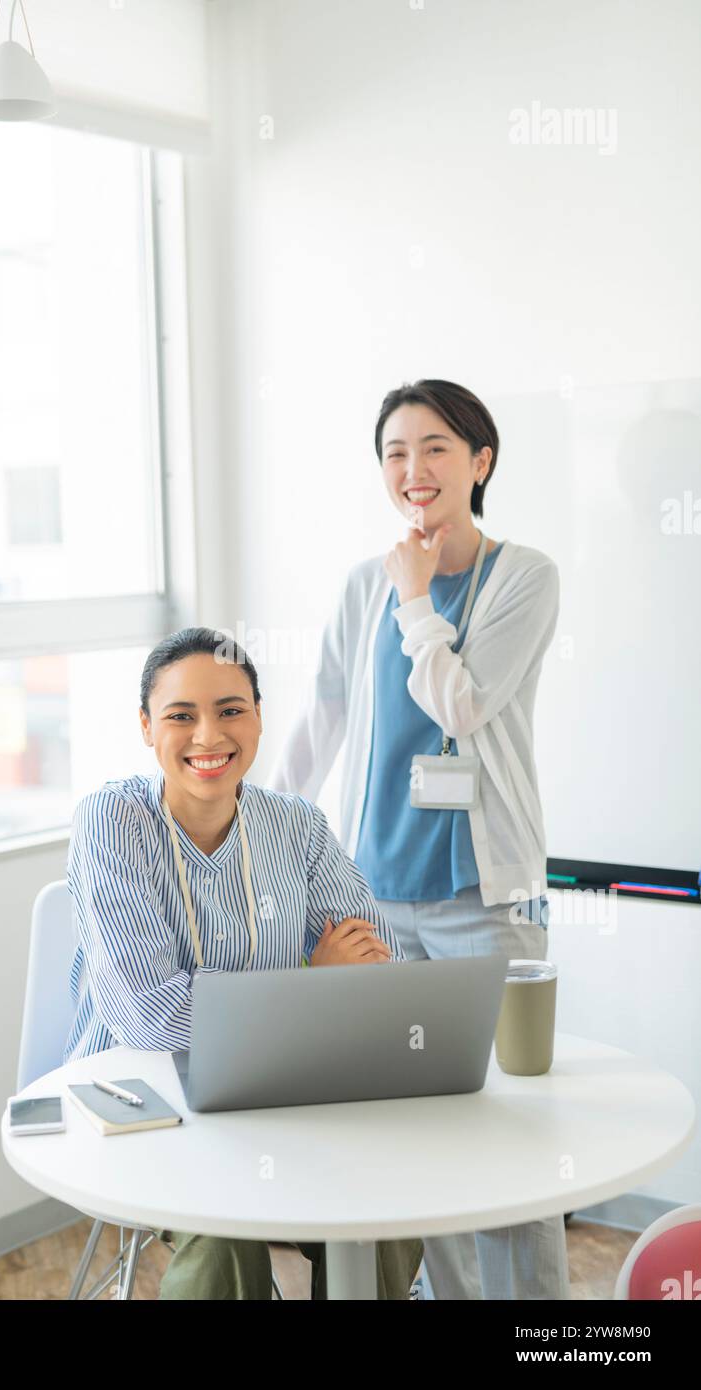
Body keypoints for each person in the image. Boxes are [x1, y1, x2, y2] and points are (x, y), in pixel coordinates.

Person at [268, 378, 569, 1300]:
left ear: (480, 461)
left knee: (514, 1137)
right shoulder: (365, 582)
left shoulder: (524, 575)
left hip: (488, 904)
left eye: (435, 447)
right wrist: (269, 828)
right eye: (396, 452)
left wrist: (415, 597)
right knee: (420, 1136)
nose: (413, 469)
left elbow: (464, 704)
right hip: (380, 904)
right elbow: (321, 714)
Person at [63, 626, 424, 1300]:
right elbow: (148, 1017)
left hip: (281, 1095)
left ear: (258, 718)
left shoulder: (296, 825)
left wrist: (292, 997)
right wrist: (311, 978)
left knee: (388, 1209)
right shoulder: (110, 822)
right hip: (147, 1102)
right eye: (180, 715)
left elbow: (376, 965)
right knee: (224, 1224)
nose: (208, 735)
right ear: (146, 727)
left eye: (231, 710)